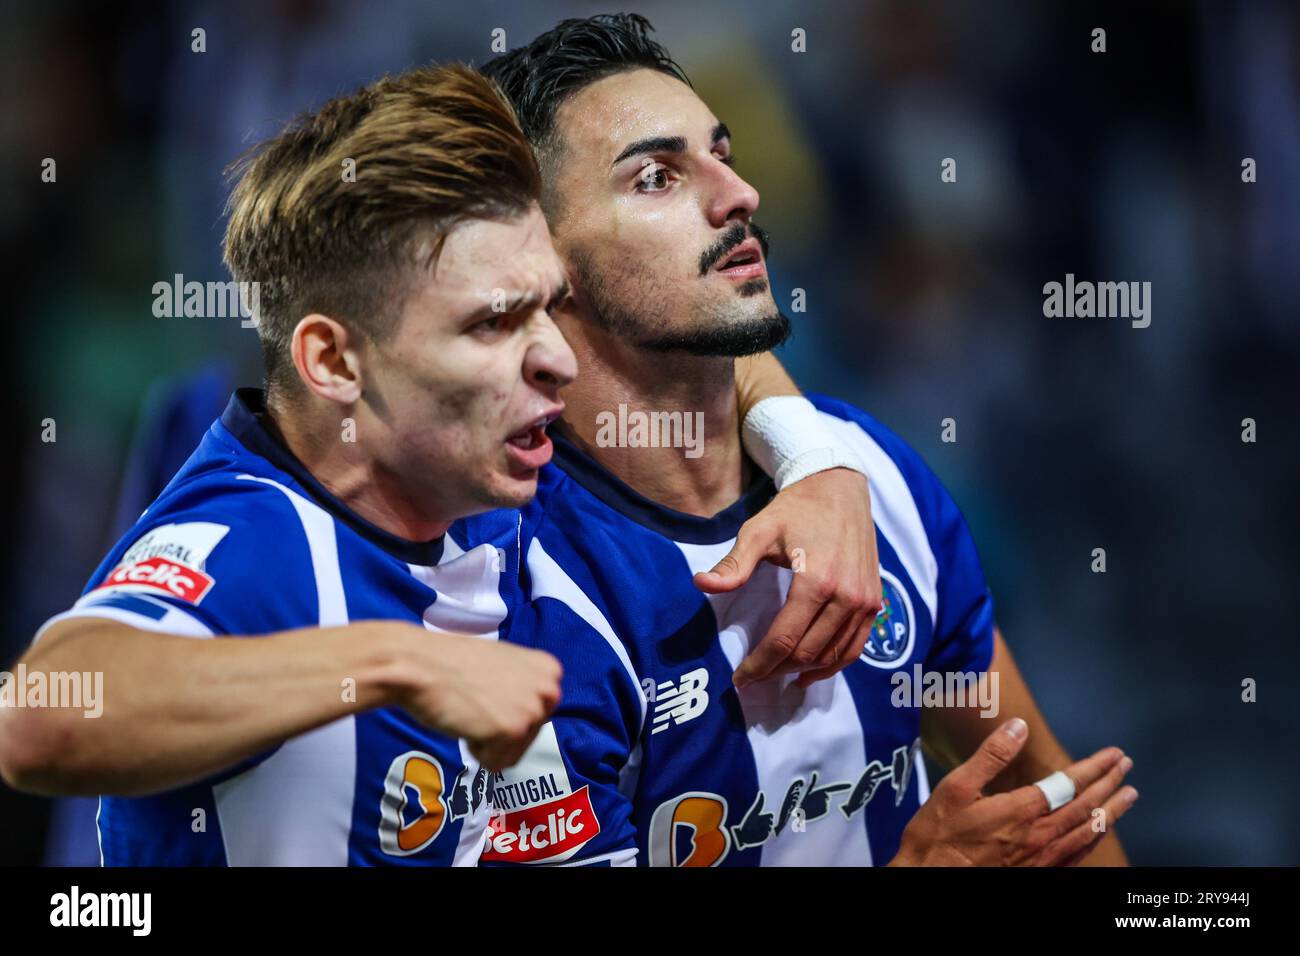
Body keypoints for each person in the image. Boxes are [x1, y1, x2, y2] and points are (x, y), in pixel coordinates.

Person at [0, 63, 882, 866]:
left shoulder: (481, 482)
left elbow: (705, 333)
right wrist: (396, 664)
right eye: (493, 323)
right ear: (335, 363)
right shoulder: (261, 540)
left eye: (552, 307)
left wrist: (817, 463)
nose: (558, 361)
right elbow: (36, 719)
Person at [479, 14, 1137, 866]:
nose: (737, 195)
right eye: (656, 178)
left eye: (722, 153)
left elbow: (1055, 812)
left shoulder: (866, 471)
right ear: (539, 266)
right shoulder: (514, 599)